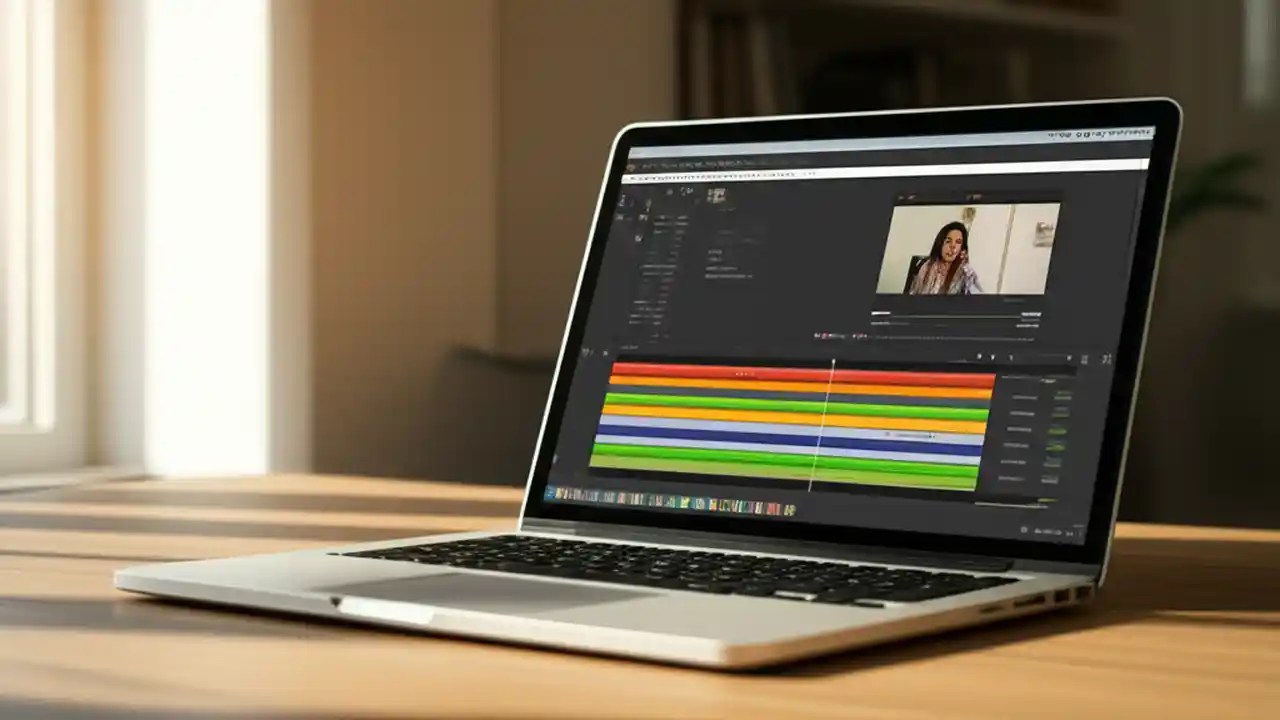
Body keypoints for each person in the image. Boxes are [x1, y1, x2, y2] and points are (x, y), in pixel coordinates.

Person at [907, 221, 983, 295]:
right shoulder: (927, 266)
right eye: (948, 241)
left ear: (962, 248)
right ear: (940, 243)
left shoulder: (967, 273)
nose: (952, 246)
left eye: (958, 242)